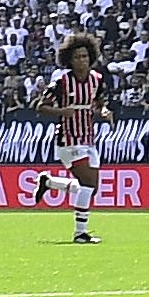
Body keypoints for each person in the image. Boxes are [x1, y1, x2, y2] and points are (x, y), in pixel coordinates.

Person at [46, 35, 108, 244]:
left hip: (88, 137)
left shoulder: (97, 79)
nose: (82, 61)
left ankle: (50, 182)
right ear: (69, 61)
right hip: (68, 138)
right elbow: (40, 106)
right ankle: (80, 233)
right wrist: (61, 111)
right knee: (88, 184)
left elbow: (99, 102)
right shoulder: (61, 82)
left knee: (92, 189)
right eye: (77, 57)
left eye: (85, 56)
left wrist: (104, 111)